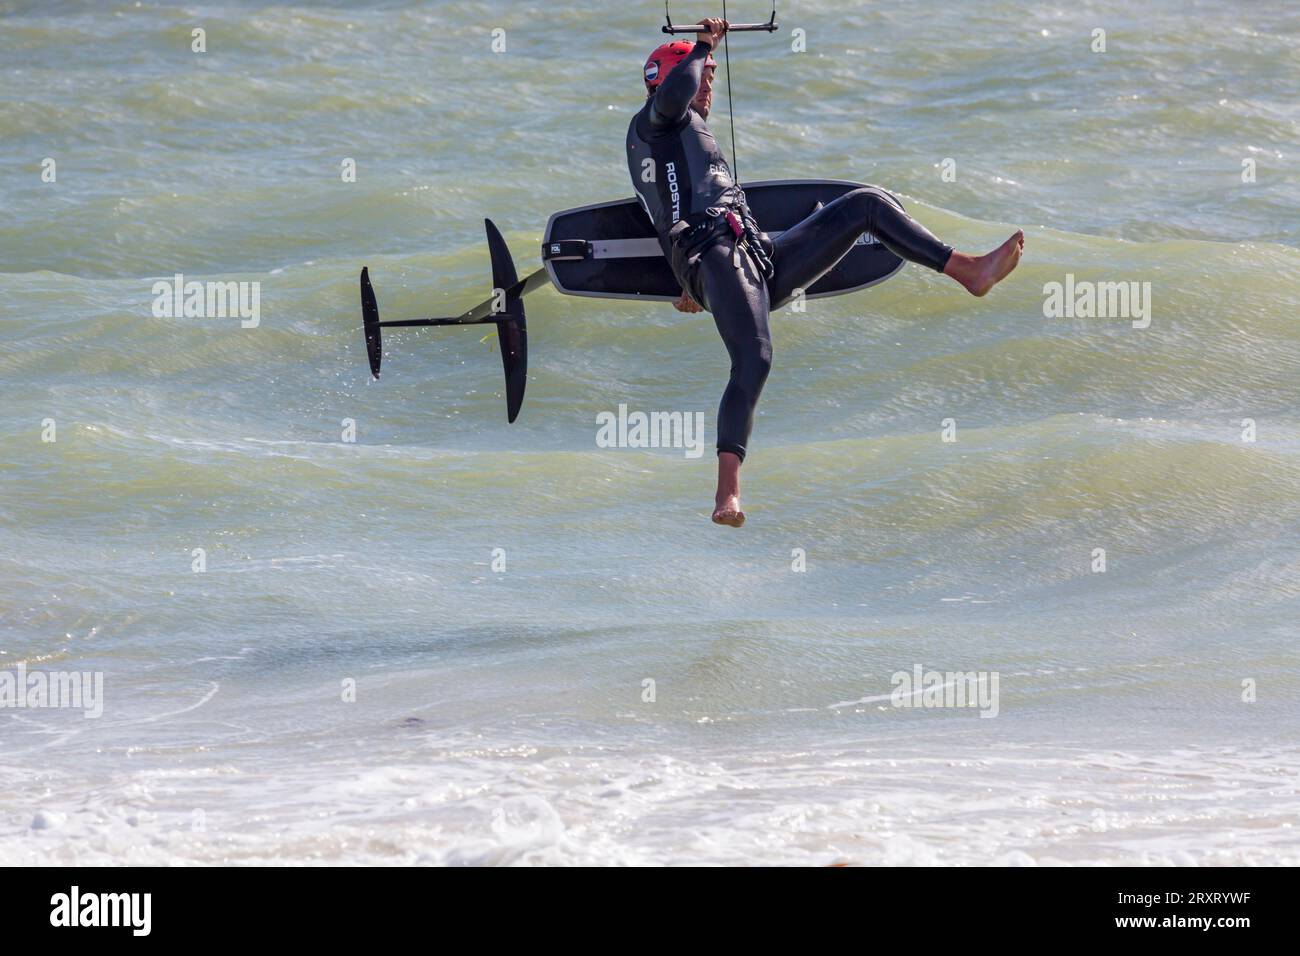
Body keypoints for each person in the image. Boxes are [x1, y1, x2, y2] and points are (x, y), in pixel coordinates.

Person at [626, 18, 1024, 527]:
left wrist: (688, 286)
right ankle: (727, 492)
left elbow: (667, 206)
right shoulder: (655, 121)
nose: (709, 79)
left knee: (867, 204)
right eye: (702, 71)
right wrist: (704, 44)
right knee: (756, 356)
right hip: (715, 255)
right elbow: (676, 191)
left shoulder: (675, 134)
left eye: (710, 71)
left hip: (757, 256)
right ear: (666, 77)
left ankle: (968, 269)